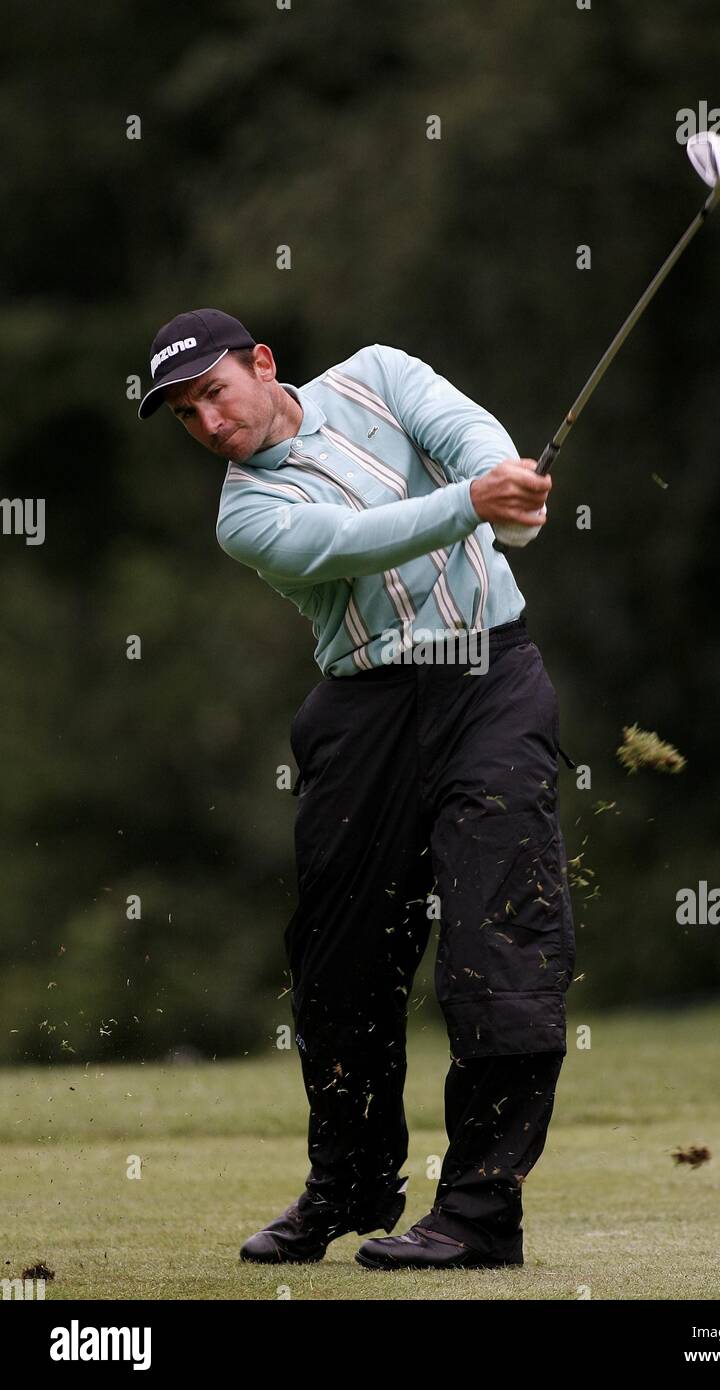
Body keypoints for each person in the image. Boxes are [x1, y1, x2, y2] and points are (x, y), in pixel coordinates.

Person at [138, 307, 577, 1270]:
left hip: (488, 684)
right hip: (365, 711)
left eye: (212, 392)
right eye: (184, 415)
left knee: (498, 936)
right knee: (341, 968)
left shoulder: (376, 372)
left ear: (262, 365)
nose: (207, 423)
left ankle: (476, 1212)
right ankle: (349, 1184)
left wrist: (503, 479)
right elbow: (351, 541)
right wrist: (476, 502)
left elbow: (463, 429)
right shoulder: (243, 516)